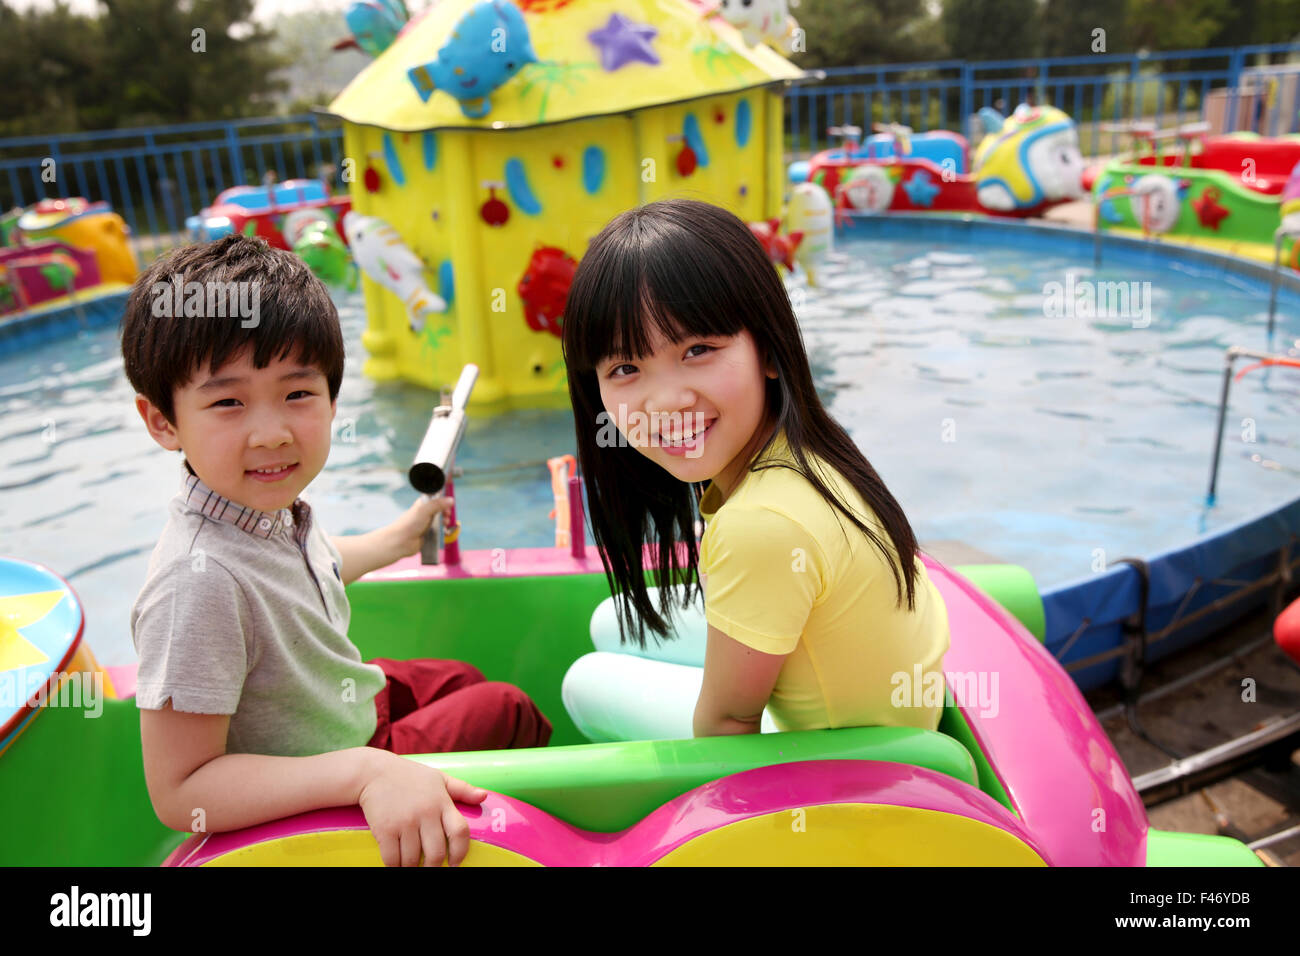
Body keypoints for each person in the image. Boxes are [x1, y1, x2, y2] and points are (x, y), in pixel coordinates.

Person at [121, 234, 551, 867]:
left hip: (343, 706)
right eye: (227, 402)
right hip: (324, 769)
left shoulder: (257, 509)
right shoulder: (196, 583)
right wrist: (361, 774)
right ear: (162, 420)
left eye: (297, 394)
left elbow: (312, 564)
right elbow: (181, 792)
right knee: (506, 707)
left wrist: (398, 540)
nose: (271, 434)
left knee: (461, 679)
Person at [561, 198, 950, 738]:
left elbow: (726, 727)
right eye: (626, 367)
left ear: (768, 349)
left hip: (844, 771)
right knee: (611, 621)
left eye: (698, 349)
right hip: (880, 712)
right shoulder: (812, 449)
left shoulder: (761, 524)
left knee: (586, 681)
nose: (665, 401)